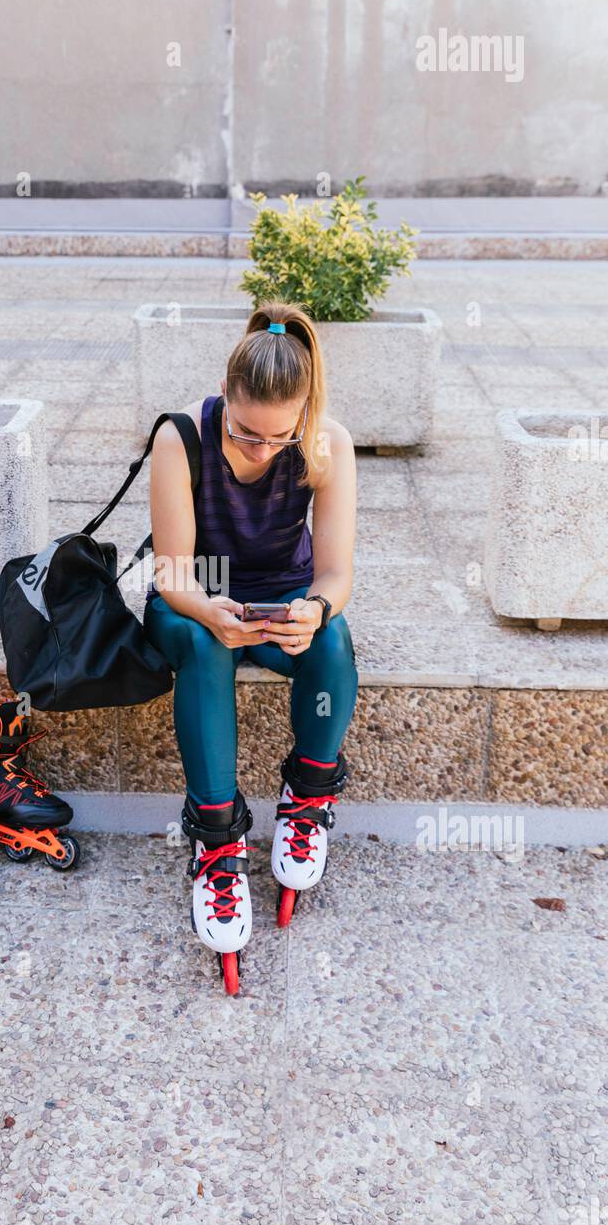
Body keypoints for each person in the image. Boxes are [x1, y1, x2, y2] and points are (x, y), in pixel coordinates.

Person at [143, 302, 358, 992]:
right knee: (205, 648)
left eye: (278, 437)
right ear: (225, 396)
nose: (261, 450)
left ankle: (307, 800)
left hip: (280, 590)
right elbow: (173, 574)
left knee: (332, 639)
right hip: (195, 589)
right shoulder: (182, 436)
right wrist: (210, 610)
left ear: (303, 415)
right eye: (245, 434)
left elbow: (335, 574)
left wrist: (314, 609)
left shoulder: (327, 443)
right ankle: (216, 845)